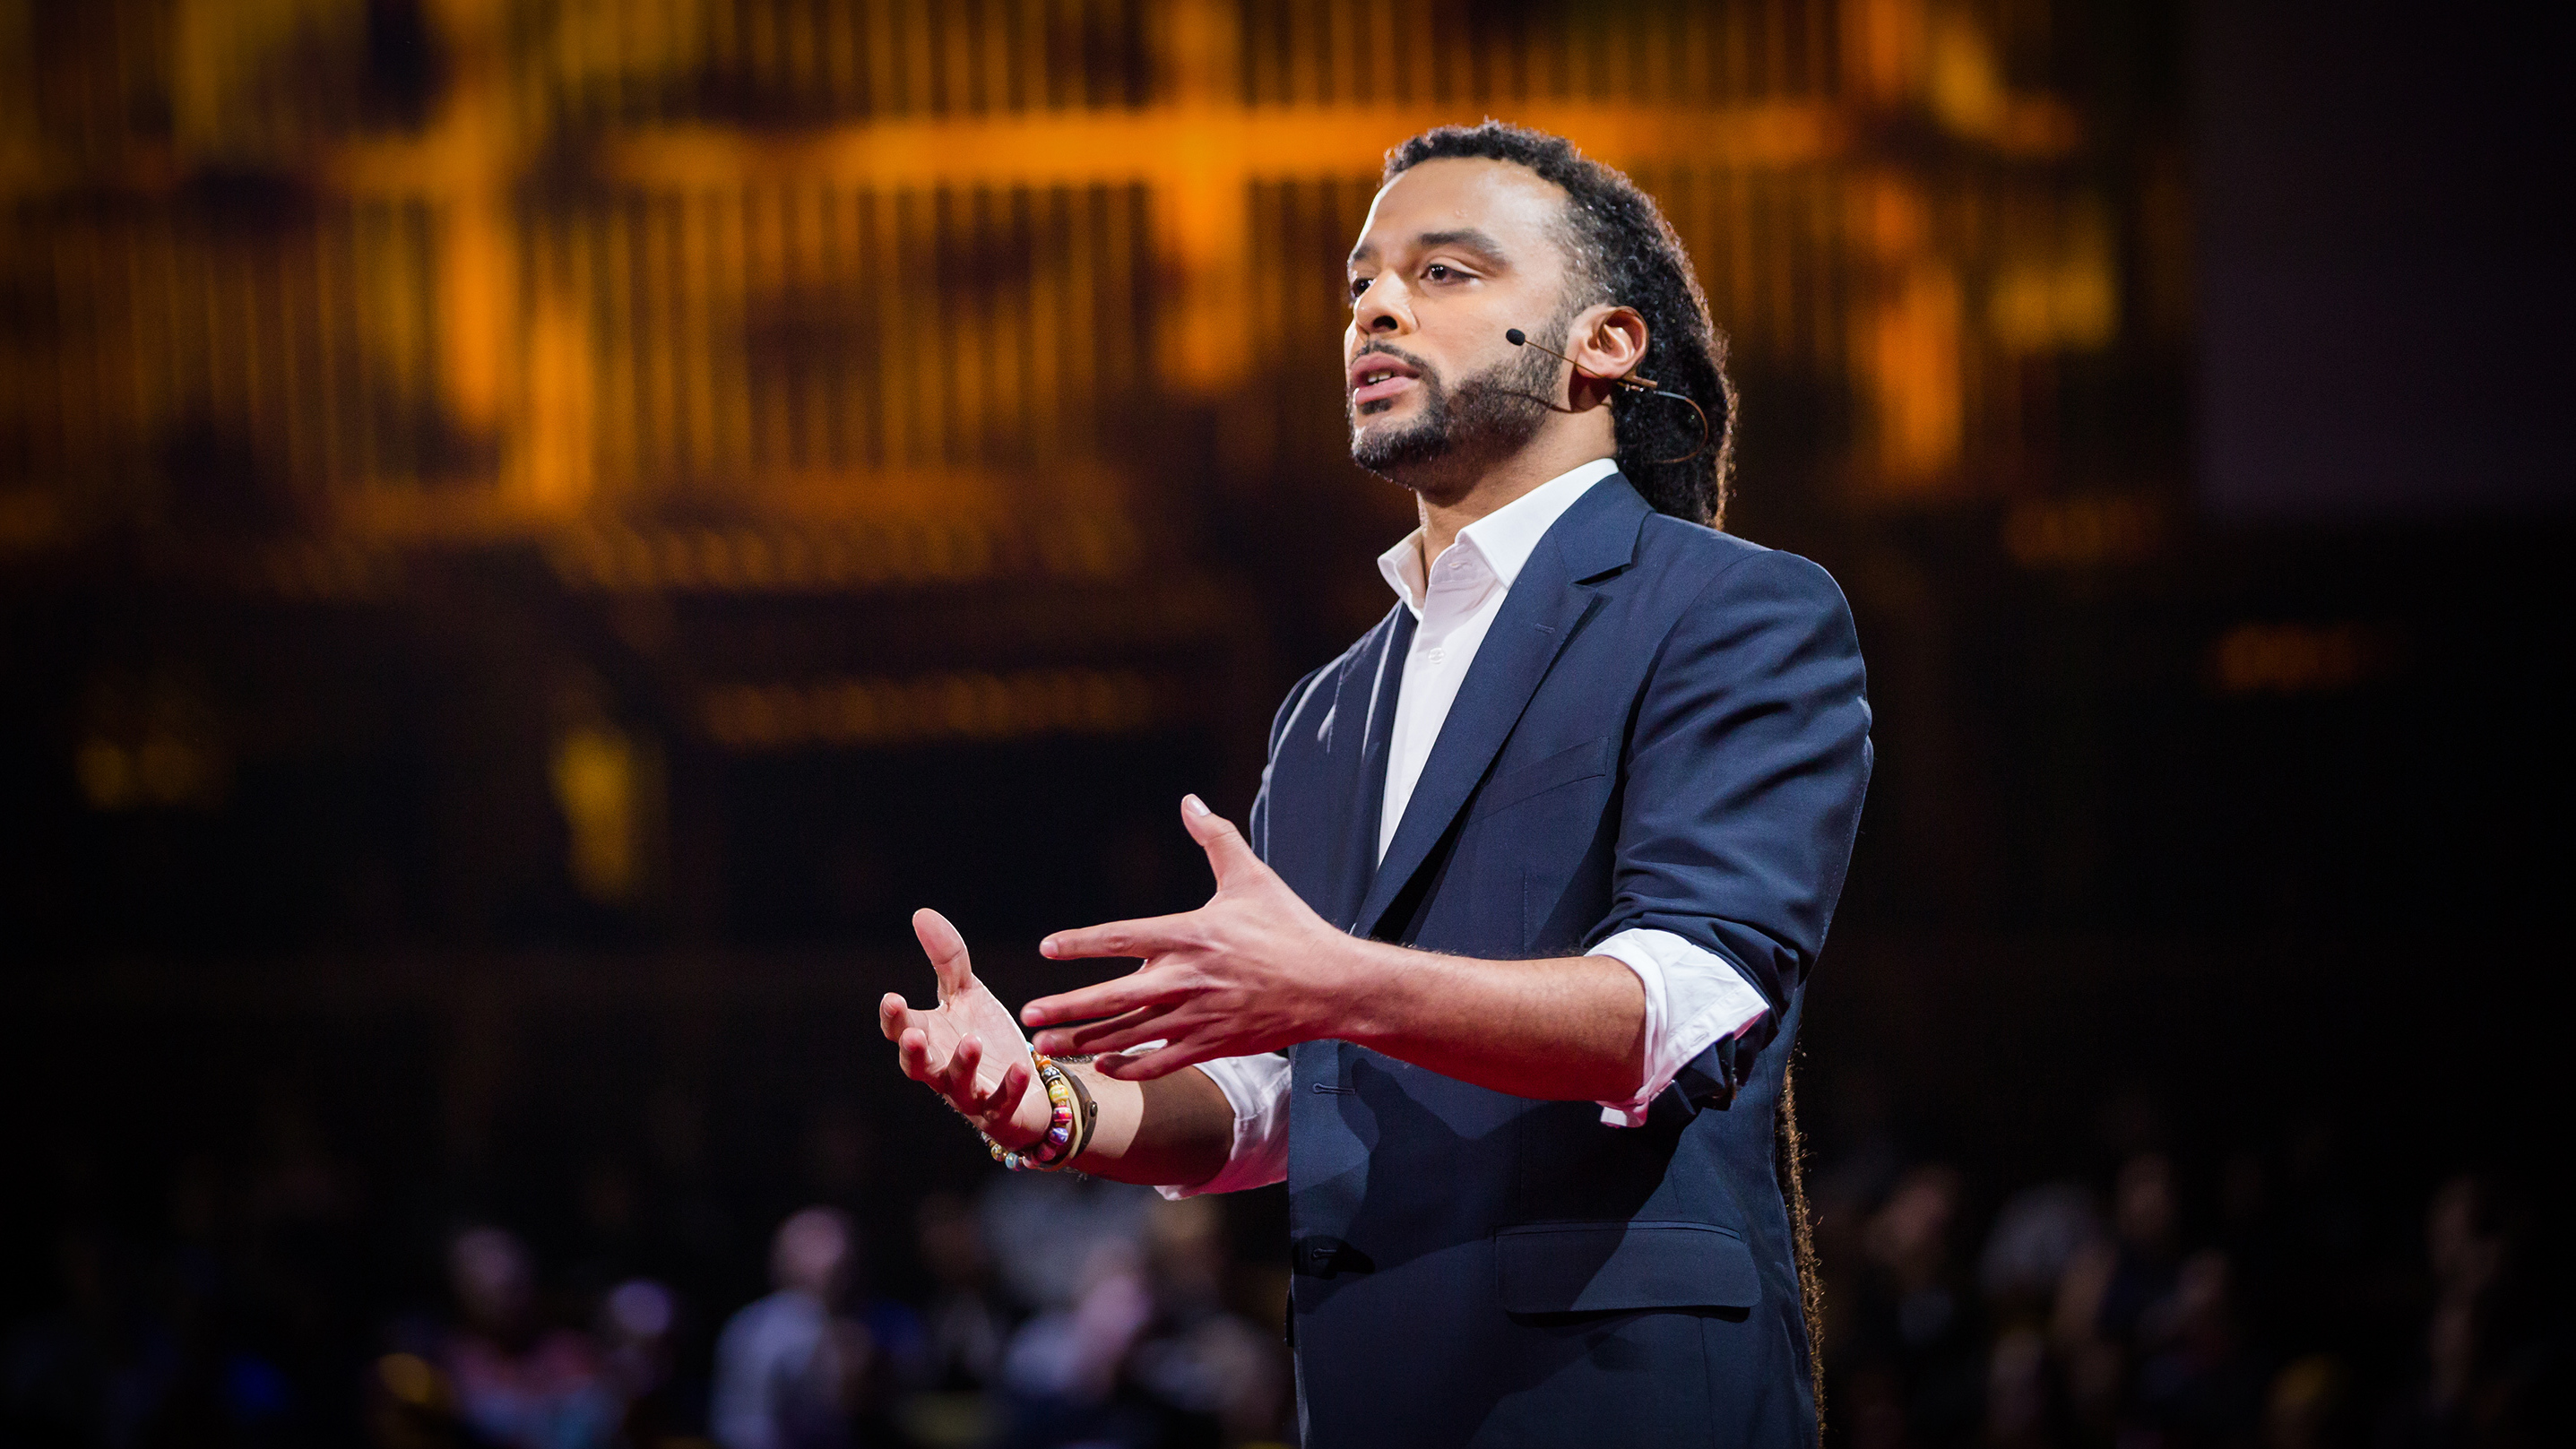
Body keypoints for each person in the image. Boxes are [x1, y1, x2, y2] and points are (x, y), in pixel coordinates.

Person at [879, 120, 1871, 1445]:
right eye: (1361, 283)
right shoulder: (1326, 708)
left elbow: (1681, 1008)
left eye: (1444, 271)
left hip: (1621, 1394)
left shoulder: (1733, 610)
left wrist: (1337, 984)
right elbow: (1286, 1093)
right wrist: (1057, 1108)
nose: (1375, 309)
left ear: (1603, 343)